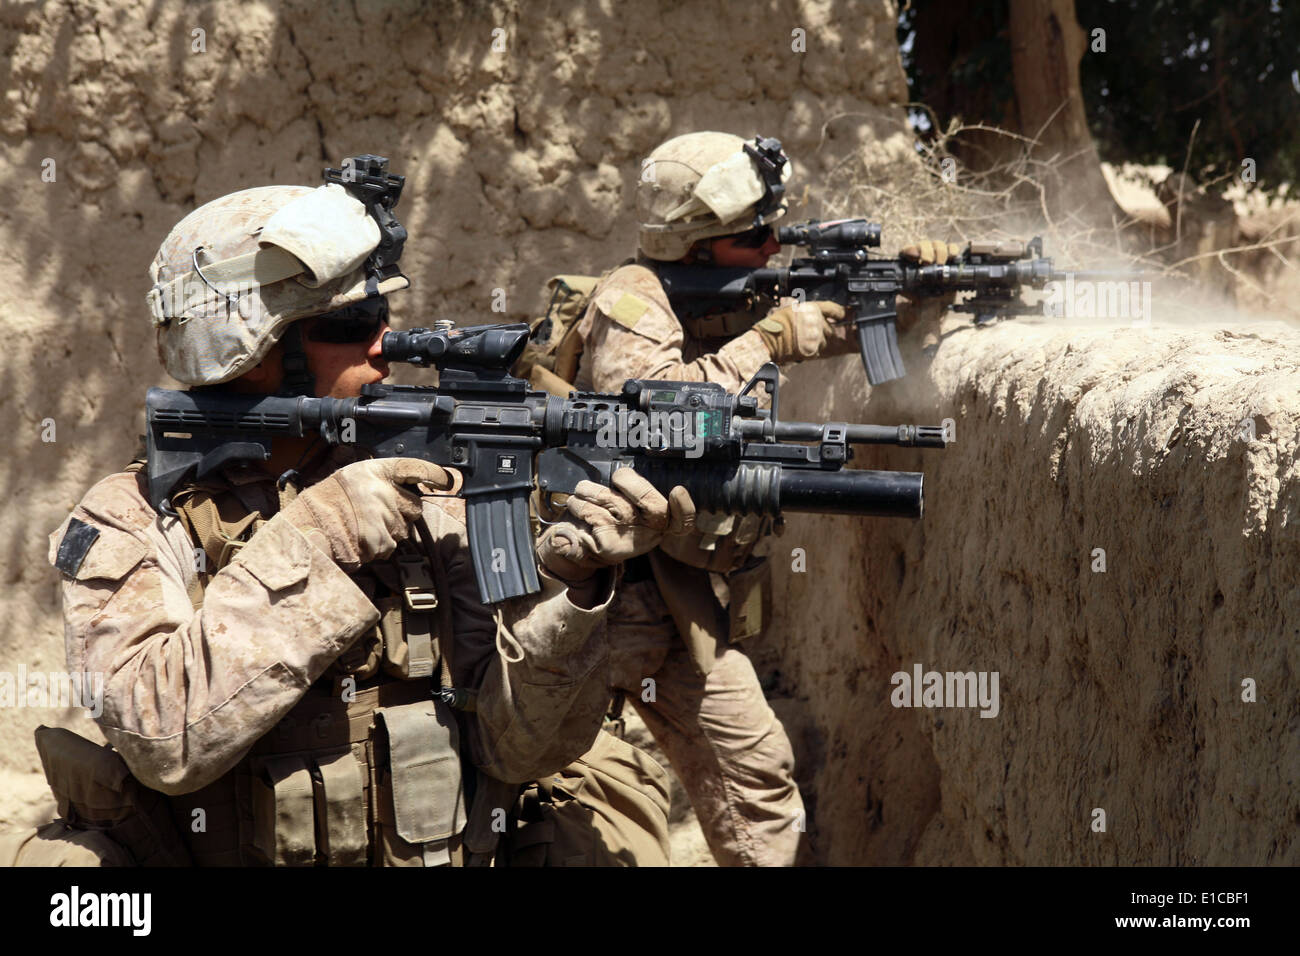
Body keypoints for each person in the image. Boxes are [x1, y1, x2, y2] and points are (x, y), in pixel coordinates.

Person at [13, 174, 691, 867]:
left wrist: (572, 597)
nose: (384, 343)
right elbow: (163, 738)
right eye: (351, 325)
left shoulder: (422, 490)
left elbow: (517, 750)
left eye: (381, 316)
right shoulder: (136, 515)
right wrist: (321, 535)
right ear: (251, 349)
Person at [566, 131, 958, 866]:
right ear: (700, 247)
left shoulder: (737, 296)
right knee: (580, 808)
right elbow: (662, 416)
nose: (776, 244)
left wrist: (911, 290)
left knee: (756, 776)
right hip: (588, 598)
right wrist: (771, 340)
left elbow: (831, 326)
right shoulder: (631, 301)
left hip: (673, 601)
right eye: (756, 236)